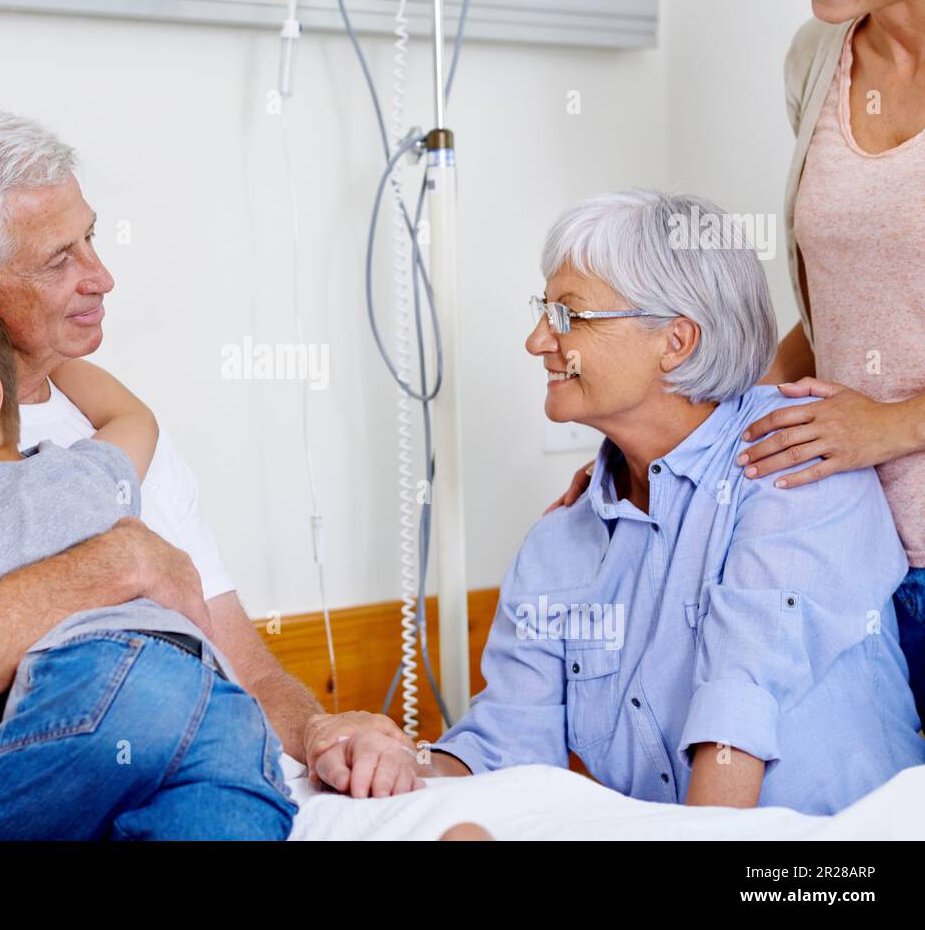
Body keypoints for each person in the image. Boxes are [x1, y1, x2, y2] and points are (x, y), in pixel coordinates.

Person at [0, 110, 413, 834]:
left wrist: (321, 730)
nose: (101, 278)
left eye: (92, 239)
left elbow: (249, 673)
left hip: (183, 747)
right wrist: (121, 562)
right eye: (58, 259)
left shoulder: (107, 443)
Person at [328, 190, 925, 814]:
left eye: (569, 316)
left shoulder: (794, 455)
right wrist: (401, 761)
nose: (537, 340)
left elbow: (739, 709)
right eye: (543, 311)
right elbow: (504, 745)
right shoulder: (561, 541)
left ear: (676, 341)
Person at [549, 0, 925, 723]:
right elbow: (841, 312)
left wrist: (897, 424)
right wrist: (668, 444)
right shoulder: (819, 59)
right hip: (855, 544)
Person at [0, 285, 296, 839]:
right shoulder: (85, 471)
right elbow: (135, 416)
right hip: (228, 715)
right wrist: (48, 360)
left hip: (99, 688)